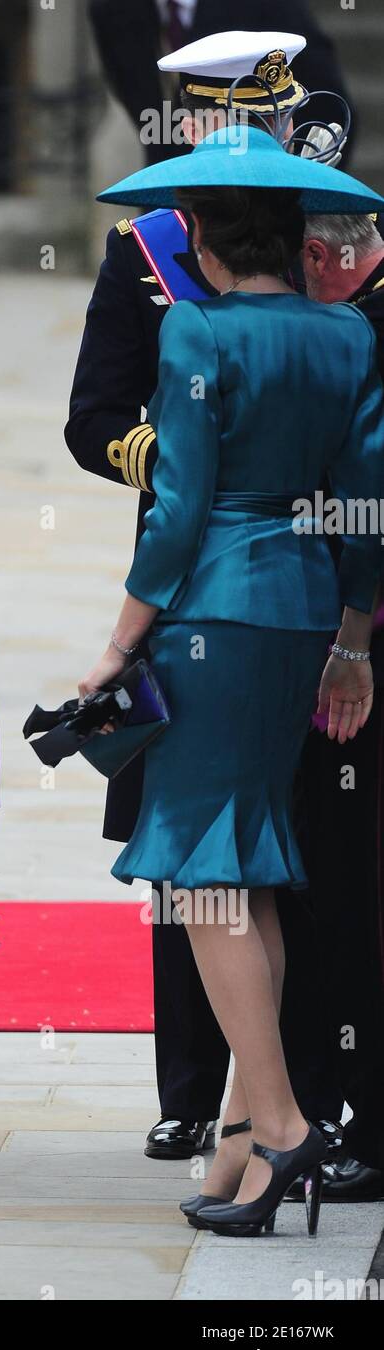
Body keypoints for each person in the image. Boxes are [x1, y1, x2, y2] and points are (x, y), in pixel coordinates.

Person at [79, 127, 384, 1237]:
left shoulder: (199, 326)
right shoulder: (345, 333)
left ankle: (279, 1122)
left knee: (206, 877)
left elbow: (177, 507)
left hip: (209, 607)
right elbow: (366, 503)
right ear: (294, 240)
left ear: (200, 238)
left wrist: (117, 642)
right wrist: (349, 634)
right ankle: (244, 1142)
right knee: (245, 863)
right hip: (302, 610)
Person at [288, 211, 384, 1202]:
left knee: (352, 884)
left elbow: (364, 493)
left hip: (356, 643)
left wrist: (350, 640)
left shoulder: (360, 327)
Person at [88, 0, 353, 166]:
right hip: (171, 194)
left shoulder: (269, 5)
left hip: (271, 191)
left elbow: (328, 102)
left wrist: (304, 184)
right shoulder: (110, 8)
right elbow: (137, 100)